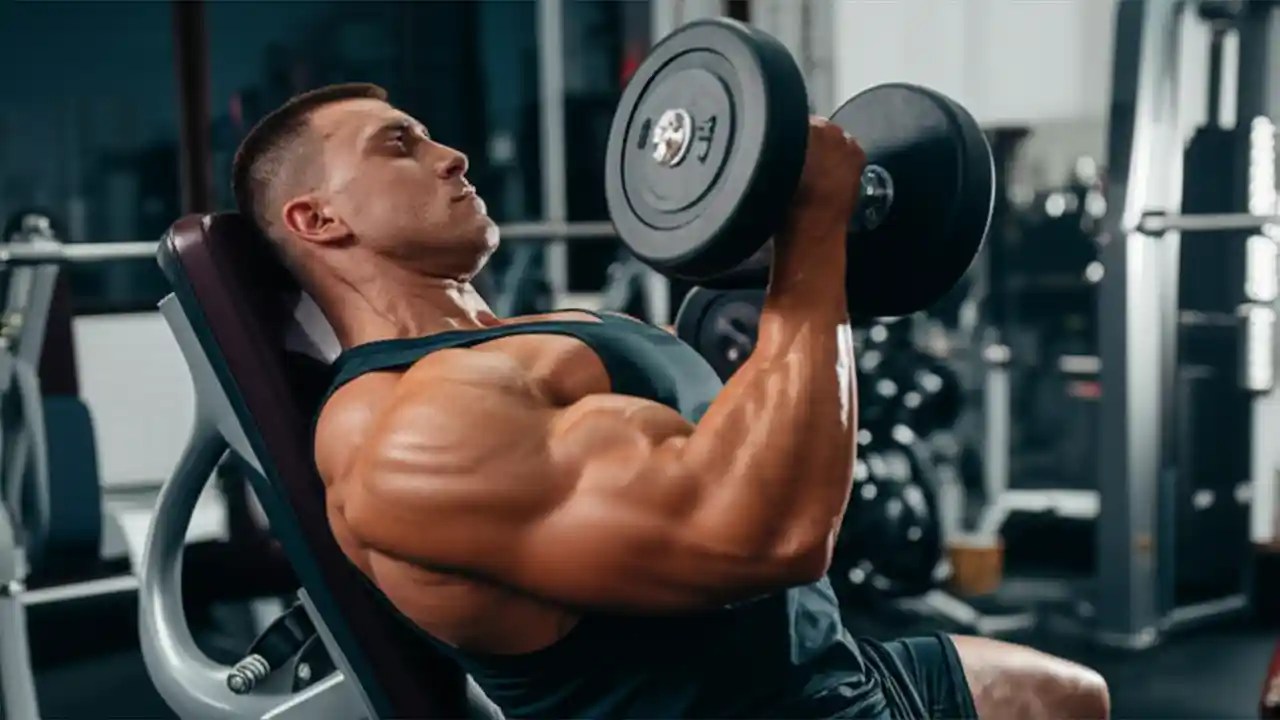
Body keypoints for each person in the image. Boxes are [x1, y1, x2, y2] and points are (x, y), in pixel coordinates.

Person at [231, 82, 1110, 720]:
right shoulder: (405, 432)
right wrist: (813, 234)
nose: (450, 155)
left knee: (1071, 696)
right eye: (399, 145)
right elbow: (762, 535)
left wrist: (784, 287)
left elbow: (698, 421)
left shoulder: (520, 338)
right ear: (318, 220)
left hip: (814, 674)